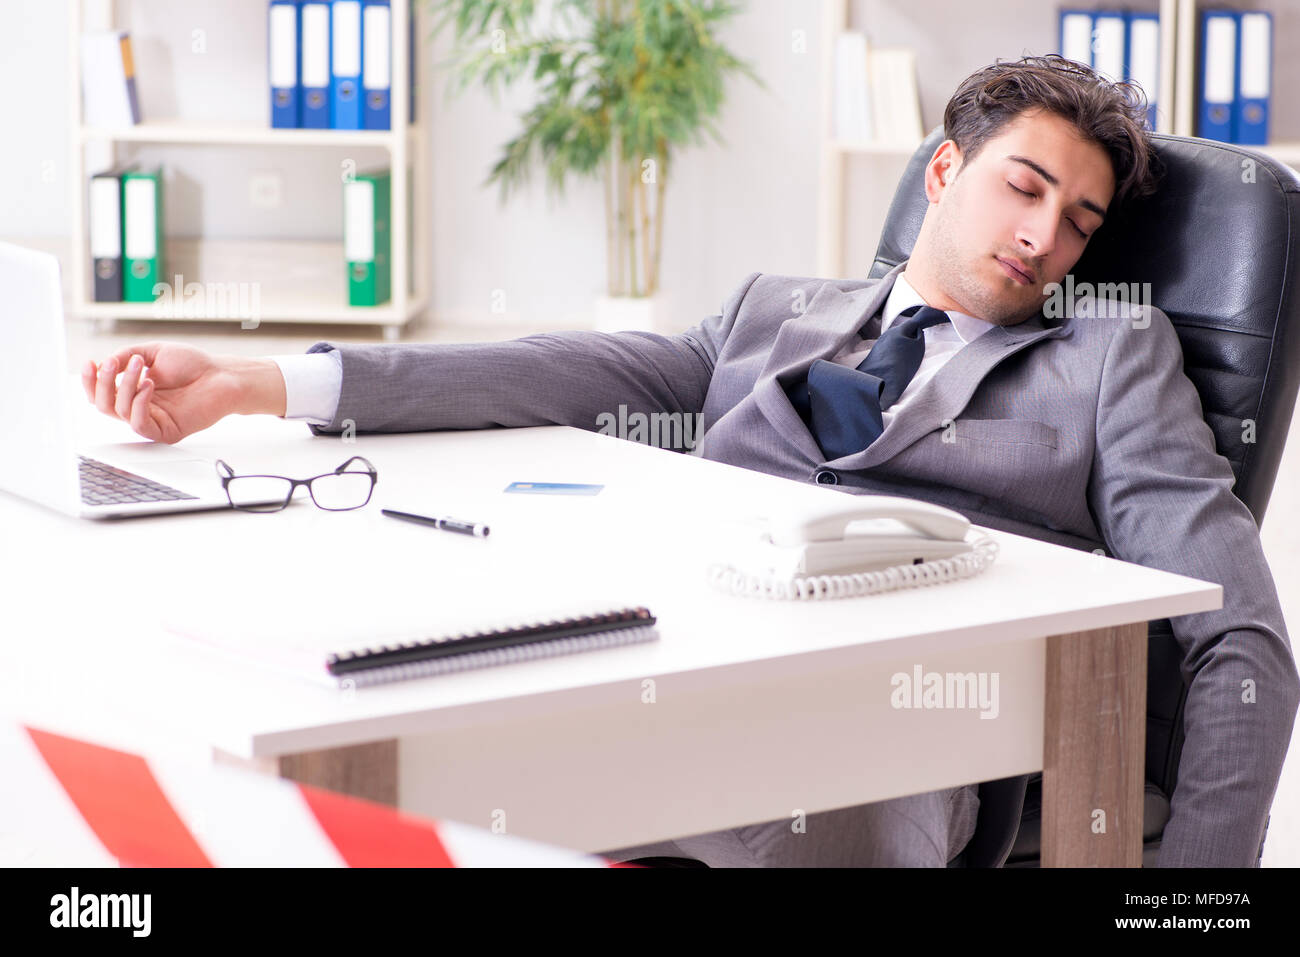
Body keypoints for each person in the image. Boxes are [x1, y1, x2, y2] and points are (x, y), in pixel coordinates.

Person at [84, 55, 1299, 867]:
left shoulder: (1108, 353)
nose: (1043, 238)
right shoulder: (778, 311)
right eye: (1022, 189)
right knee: (326, 737)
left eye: (1079, 222)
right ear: (943, 173)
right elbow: (553, 371)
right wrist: (267, 383)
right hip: (668, 662)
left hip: (897, 728)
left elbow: (1241, 636)